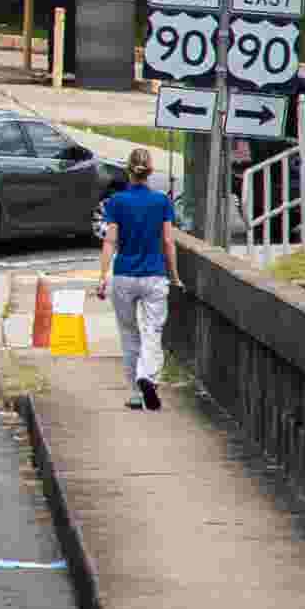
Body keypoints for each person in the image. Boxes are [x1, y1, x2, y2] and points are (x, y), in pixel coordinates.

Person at [97, 145, 181, 411]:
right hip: (154, 275)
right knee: (152, 330)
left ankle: (135, 393)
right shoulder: (162, 202)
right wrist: (175, 276)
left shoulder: (117, 202)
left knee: (129, 334)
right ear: (150, 171)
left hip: (124, 275)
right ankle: (148, 376)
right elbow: (168, 242)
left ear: (128, 171)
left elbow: (110, 241)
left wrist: (103, 276)